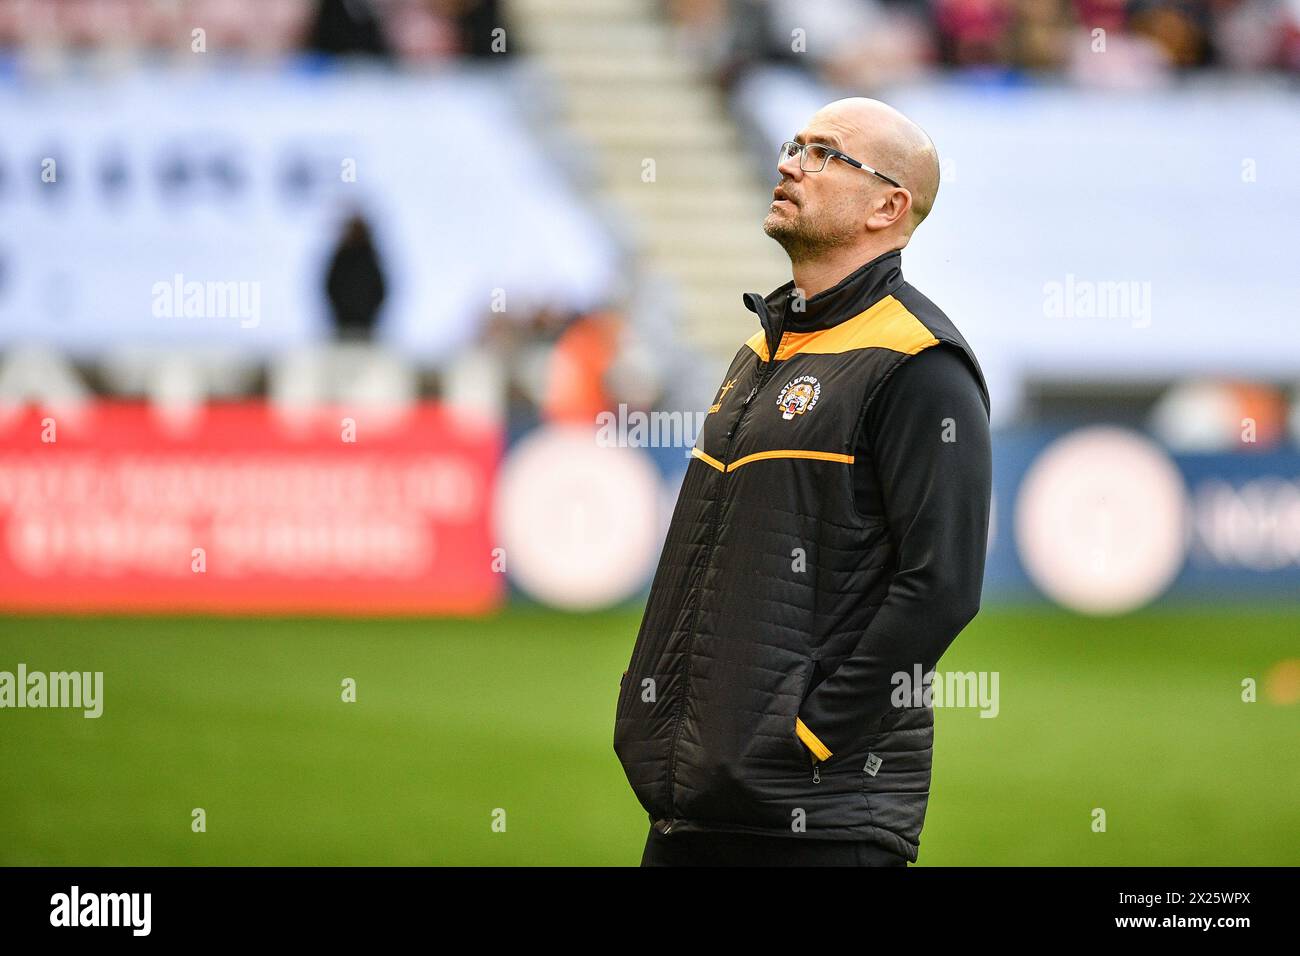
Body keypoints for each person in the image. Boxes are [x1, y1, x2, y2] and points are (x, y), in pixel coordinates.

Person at [613, 98, 992, 866]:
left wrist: (811, 735)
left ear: (888, 206)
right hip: (690, 806)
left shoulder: (922, 363)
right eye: (795, 145)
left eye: (825, 154)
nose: (789, 164)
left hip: (819, 823)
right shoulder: (760, 349)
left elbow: (942, 586)